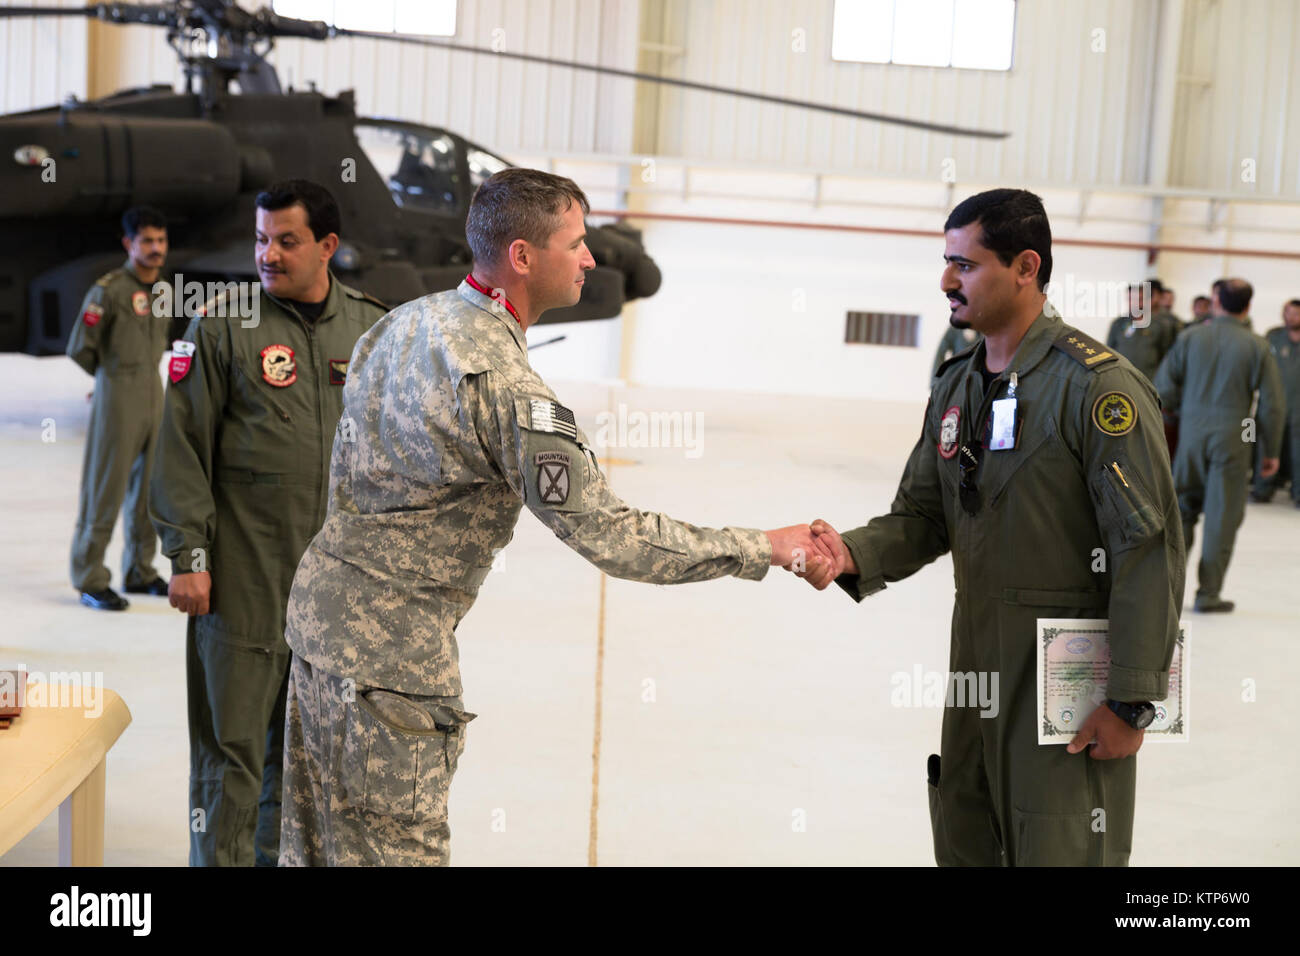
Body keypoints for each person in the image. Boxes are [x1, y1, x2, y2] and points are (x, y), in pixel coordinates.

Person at [277, 168, 830, 866]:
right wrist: (764, 546)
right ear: (522, 257)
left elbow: (346, 480)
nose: (592, 259)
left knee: (313, 851)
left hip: (318, 629)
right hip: (393, 669)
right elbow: (613, 536)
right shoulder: (510, 392)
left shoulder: (397, 324)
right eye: (576, 243)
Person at [797, 189, 1184, 866]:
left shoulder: (1099, 390)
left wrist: (1132, 701)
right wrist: (849, 552)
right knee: (966, 832)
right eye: (947, 263)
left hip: (1063, 673)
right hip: (974, 659)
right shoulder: (958, 385)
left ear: (1025, 266)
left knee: (1058, 843)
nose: (947, 280)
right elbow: (921, 516)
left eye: (965, 265)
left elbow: (1146, 548)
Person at [149, 180, 388, 866]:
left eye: (286, 240)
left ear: (327, 247)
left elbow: (395, 456)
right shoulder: (221, 327)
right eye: (261, 239)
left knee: (307, 768)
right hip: (243, 584)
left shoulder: (369, 332)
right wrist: (188, 556)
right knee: (231, 761)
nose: (268, 254)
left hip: (336, 595)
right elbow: (181, 447)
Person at [1154, 279, 1284, 612]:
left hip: (1191, 433)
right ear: (1249, 306)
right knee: (1222, 517)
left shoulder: (1191, 337)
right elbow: (1270, 405)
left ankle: (1166, 591)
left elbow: (1162, 389)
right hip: (1236, 434)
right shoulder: (1257, 346)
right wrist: (1268, 451)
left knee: (1181, 510)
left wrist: (1176, 417)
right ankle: (1208, 593)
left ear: (1215, 301)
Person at [66, 206, 172, 611]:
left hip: (153, 393)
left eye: (161, 240)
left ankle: (139, 571)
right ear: (129, 243)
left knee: (149, 491)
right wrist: (110, 381)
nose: (156, 248)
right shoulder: (107, 290)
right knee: (104, 489)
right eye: (147, 240)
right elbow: (80, 347)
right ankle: (89, 576)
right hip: (118, 397)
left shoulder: (164, 290)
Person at [1250, 299, 1300, 506]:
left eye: (1296, 314)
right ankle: (1263, 488)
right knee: (1267, 446)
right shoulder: (1273, 336)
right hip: (1272, 403)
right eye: (1287, 313)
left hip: (1298, 405)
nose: (1291, 317)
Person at [1105, 281, 1178, 383]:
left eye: (1139, 299)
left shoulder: (1161, 325)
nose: (1135, 303)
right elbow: (1109, 353)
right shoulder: (1118, 324)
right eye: (1131, 299)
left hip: (1149, 382)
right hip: (1121, 381)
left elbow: (1166, 357)